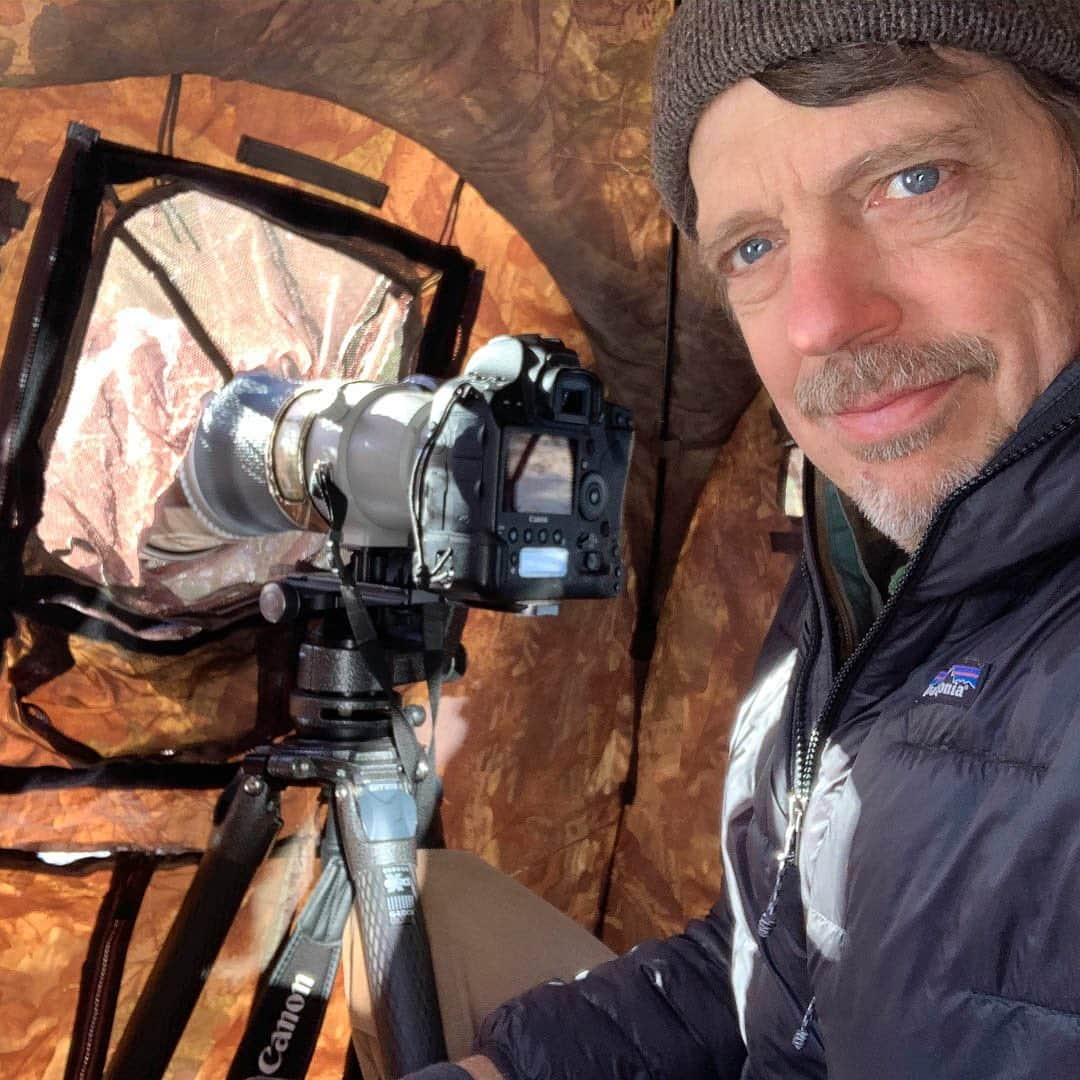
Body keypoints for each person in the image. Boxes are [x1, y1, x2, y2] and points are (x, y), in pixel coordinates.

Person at [374, 2, 1080, 1076]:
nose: (819, 321)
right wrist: (511, 1069)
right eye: (753, 246)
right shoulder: (860, 572)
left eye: (913, 180)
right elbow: (776, 967)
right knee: (419, 909)